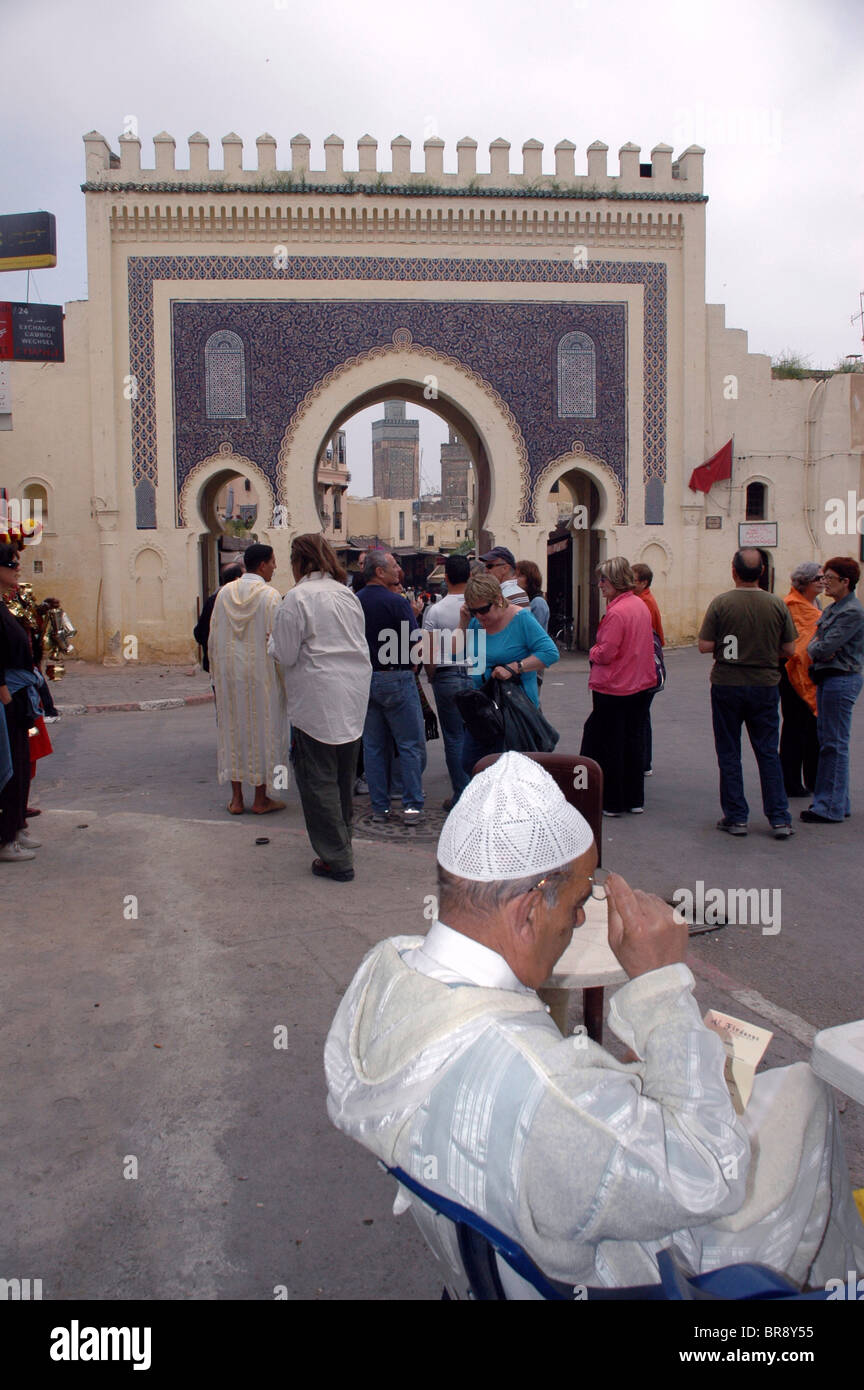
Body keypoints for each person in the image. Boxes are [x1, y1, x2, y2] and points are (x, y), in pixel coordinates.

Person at [325, 753, 864, 1293]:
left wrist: (613, 1082)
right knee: (806, 1094)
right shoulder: (546, 1089)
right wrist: (663, 989)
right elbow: (711, 1177)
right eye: (580, 901)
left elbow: (535, 1090)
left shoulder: (382, 972)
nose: (581, 918)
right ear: (527, 911)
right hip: (621, 1272)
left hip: (493, 1245)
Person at [268, 534, 371, 881]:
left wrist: (271, 641)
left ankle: (337, 858)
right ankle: (343, 842)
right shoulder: (347, 595)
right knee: (342, 778)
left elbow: (285, 653)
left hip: (316, 701)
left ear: (300, 561)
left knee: (318, 780)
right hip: (352, 697)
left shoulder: (297, 598)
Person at [698, 549, 797, 839]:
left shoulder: (722, 603)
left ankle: (736, 816)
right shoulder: (776, 604)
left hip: (728, 682)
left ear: (733, 571)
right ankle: (779, 817)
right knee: (767, 751)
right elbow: (790, 649)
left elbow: (704, 644)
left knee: (729, 752)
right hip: (765, 683)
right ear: (762, 572)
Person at [208, 543, 288, 816]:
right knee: (267, 733)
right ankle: (262, 799)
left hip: (231, 677)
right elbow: (277, 641)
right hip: (261, 677)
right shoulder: (270, 596)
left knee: (233, 733)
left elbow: (213, 639)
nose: (275, 567)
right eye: (274, 561)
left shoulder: (224, 594)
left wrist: (218, 674)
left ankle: (237, 799)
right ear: (263, 564)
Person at [456, 572, 559, 776]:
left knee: (508, 772)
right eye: (474, 610)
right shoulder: (476, 622)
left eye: (484, 609)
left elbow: (550, 653)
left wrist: (514, 667)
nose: (480, 616)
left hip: (512, 709)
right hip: (482, 708)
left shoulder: (521, 619)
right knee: (470, 763)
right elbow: (454, 649)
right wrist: (463, 621)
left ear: (498, 600)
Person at [579, 557, 656, 817]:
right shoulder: (640, 605)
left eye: (603, 580)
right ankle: (634, 799)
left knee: (608, 743)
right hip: (639, 684)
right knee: (633, 742)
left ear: (614, 581)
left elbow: (607, 652)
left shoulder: (616, 612)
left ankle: (611, 801)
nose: (600, 585)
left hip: (614, 686)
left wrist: (593, 650)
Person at [358, 549, 426, 825]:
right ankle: (411, 808)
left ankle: (379, 809)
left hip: (365, 678)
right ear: (379, 572)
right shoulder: (397, 603)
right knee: (408, 744)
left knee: (373, 747)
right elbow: (413, 643)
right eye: (394, 566)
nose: (398, 570)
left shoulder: (354, 601)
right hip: (396, 676)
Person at [800, 555, 864, 824]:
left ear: (845, 581)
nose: (825, 583)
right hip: (829, 677)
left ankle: (829, 806)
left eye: (830, 578)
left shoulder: (851, 612)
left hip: (841, 677)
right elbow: (817, 644)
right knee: (829, 741)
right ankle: (838, 801)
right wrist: (819, 648)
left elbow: (821, 646)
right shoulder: (833, 609)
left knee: (833, 744)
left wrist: (819, 648)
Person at [0, 543, 42, 861]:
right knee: (9, 767)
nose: (17, 569)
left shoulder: (6, 606)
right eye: (11, 564)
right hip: (7, 699)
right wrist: (4, 694)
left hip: (18, 696)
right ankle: (5, 839)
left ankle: (16, 828)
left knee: (21, 764)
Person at [423, 555, 474, 806]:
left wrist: (432, 675)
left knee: (453, 738)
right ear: (470, 577)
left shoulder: (436, 610)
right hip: (476, 672)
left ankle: (461, 795)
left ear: (446, 579)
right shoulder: (479, 605)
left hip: (447, 675)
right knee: (476, 735)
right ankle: (477, 795)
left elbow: (428, 651)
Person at [779, 562, 823, 798]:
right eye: (818, 578)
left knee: (814, 728)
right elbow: (795, 643)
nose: (822, 581)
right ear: (804, 582)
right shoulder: (791, 606)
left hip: (814, 673)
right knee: (795, 727)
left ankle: (813, 778)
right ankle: (791, 781)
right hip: (791, 672)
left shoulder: (817, 605)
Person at [631, 562, 665, 777]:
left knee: (640, 716)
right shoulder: (643, 601)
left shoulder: (645, 603)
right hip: (646, 666)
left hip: (645, 666)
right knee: (642, 716)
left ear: (643, 582)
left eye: (633, 579)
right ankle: (644, 761)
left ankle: (643, 761)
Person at [194, 562, 244, 673]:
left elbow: (200, 633)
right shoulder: (241, 600)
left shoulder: (213, 599)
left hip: (218, 663)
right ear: (237, 579)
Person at [515, 560, 550, 631]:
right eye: (514, 575)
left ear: (530, 579)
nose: (515, 579)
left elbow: (532, 632)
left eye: (520, 576)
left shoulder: (538, 602)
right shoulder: (523, 599)